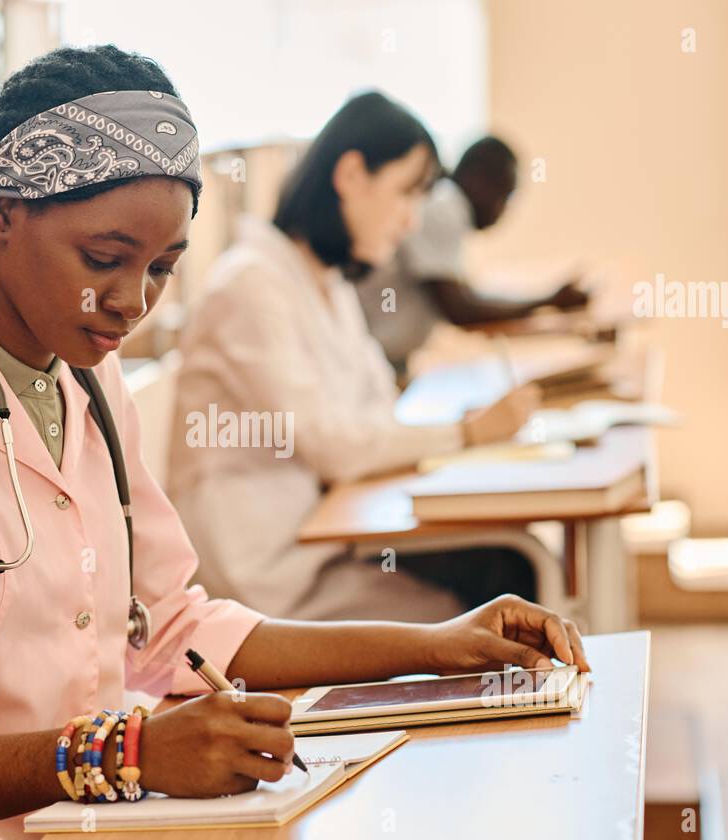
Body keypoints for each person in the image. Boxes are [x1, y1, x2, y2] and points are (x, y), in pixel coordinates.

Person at [0, 48, 585, 840]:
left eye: (161, 268)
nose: (132, 303)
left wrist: (438, 647)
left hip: (85, 834)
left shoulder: (88, 379)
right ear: (4, 211)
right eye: (103, 260)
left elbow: (177, 629)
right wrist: (124, 752)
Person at [169, 92, 541, 625]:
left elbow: (377, 413)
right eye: (407, 192)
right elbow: (336, 448)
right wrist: (468, 433)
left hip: (328, 535)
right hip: (270, 578)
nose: (412, 221)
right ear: (350, 176)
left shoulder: (328, 285)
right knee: (500, 584)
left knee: (505, 565)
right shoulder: (249, 284)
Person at [357, 135, 592, 371]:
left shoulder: (446, 206)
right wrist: (548, 300)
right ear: (479, 179)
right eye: (505, 195)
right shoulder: (444, 207)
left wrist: (548, 299)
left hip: (386, 357)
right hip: (374, 358)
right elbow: (462, 310)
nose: (504, 209)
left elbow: (467, 297)